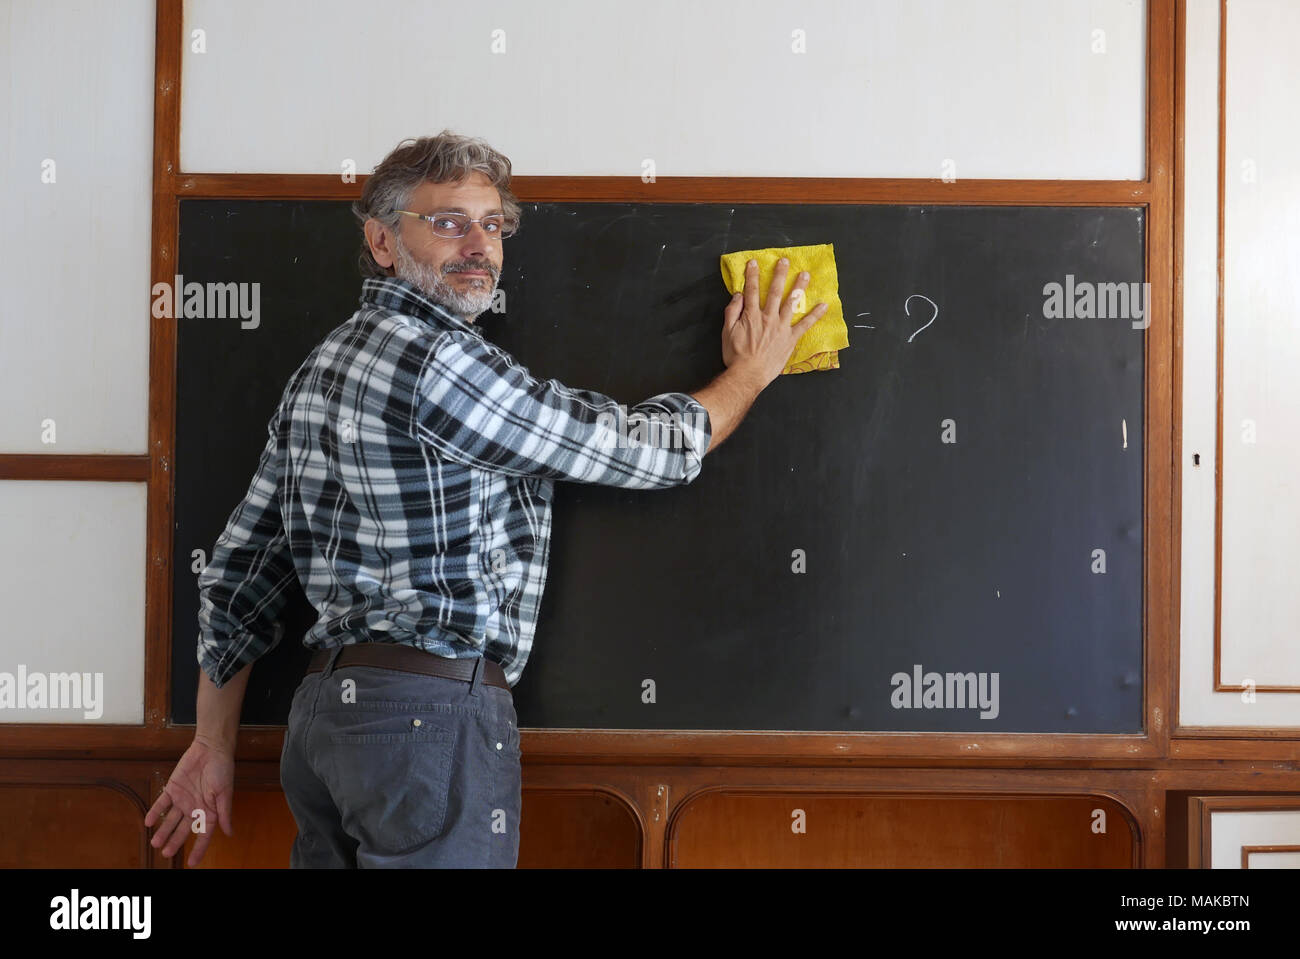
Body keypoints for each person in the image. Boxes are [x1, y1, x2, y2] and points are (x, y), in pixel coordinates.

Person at [144, 130, 827, 868]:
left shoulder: (320, 369)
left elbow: (240, 572)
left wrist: (211, 741)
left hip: (322, 723)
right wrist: (751, 373)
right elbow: (629, 448)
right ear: (381, 241)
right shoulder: (435, 358)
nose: (479, 244)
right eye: (447, 222)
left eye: (492, 223)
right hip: (423, 720)